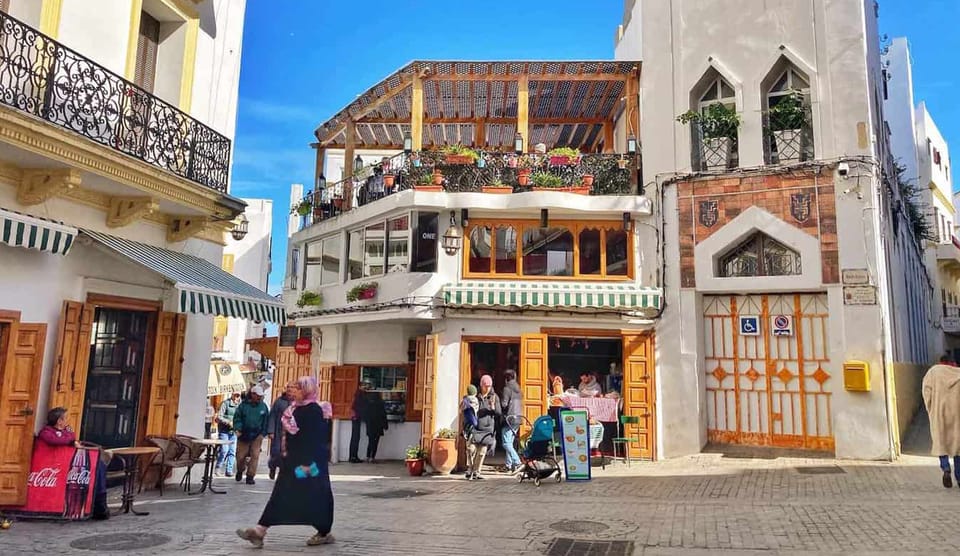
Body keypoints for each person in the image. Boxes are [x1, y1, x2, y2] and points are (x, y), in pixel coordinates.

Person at [237, 376, 335, 548]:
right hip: (292, 462)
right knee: (281, 494)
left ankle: (323, 532)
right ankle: (260, 530)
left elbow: (315, 440)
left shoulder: (313, 411)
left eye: (298, 388)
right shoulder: (295, 409)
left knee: (314, 496)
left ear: (306, 391)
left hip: (309, 466)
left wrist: (307, 464)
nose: (294, 391)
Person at [39, 407, 109, 520]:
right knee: (97, 467)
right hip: (56, 464)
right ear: (59, 421)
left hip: (69, 463)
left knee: (99, 465)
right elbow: (56, 440)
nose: (67, 421)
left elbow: (71, 436)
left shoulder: (66, 431)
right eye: (65, 418)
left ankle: (100, 504)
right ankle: (99, 504)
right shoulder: (47, 432)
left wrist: (71, 439)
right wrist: (71, 440)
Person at [922, 354, 960, 488]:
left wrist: (931, 409)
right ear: (952, 362)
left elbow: (926, 392)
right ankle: (959, 477)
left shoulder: (933, 372)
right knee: (958, 447)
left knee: (940, 442)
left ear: (941, 362)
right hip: (957, 415)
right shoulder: (958, 373)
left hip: (939, 414)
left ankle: (945, 469)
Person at [233, 385, 270, 485]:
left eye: (261, 396)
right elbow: (237, 418)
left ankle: (250, 476)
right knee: (240, 456)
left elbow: (266, 420)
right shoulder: (243, 406)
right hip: (244, 434)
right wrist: (238, 428)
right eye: (258, 395)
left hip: (257, 434)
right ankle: (240, 469)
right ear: (252, 394)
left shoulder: (263, 406)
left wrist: (263, 433)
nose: (260, 398)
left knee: (255, 455)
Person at [466, 374, 501, 480]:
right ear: (481, 385)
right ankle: (470, 469)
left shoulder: (494, 397)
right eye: (485, 386)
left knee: (482, 452)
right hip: (476, 427)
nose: (487, 388)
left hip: (487, 428)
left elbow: (499, 413)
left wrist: (493, 408)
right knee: (471, 449)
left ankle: (477, 471)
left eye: (489, 386)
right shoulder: (475, 397)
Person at [266, 382, 296, 480]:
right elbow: (272, 416)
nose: (290, 389)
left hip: (291, 433)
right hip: (279, 432)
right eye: (289, 387)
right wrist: (271, 431)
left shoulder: (297, 402)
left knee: (288, 453)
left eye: (292, 387)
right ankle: (273, 467)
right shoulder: (279, 401)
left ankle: (284, 472)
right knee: (276, 453)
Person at [500, 369, 523, 473]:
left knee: (506, 443)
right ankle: (509, 465)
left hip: (509, 418)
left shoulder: (507, 389)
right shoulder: (519, 388)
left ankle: (517, 462)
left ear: (506, 378)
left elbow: (504, 404)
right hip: (518, 418)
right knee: (510, 442)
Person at [215, 392, 241, 477]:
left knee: (232, 451)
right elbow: (219, 416)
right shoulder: (225, 403)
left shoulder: (240, 406)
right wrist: (228, 422)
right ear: (232, 395)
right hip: (224, 431)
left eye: (238, 395)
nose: (237, 397)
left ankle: (229, 470)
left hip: (234, 432)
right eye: (236, 395)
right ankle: (218, 467)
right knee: (224, 450)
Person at [363, 391, 388, 463]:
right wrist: (385, 426)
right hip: (378, 426)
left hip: (370, 426)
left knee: (370, 441)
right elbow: (383, 415)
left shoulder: (368, 404)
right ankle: (372, 457)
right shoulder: (380, 404)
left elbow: (365, 416)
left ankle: (368, 456)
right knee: (375, 442)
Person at [348, 382, 369, 464]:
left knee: (355, 437)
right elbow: (355, 406)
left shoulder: (360, 394)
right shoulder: (358, 395)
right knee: (355, 437)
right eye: (363, 385)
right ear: (360, 386)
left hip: (356, 417)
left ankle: (353, 456)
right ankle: (353, 456)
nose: (364, 387)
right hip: (356, 417)